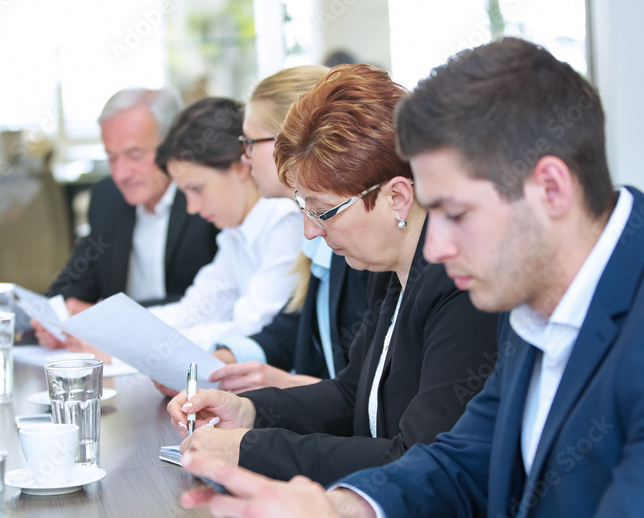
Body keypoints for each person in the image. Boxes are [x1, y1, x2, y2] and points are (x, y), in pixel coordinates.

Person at [176, 39, 644, 518]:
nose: (435, 248)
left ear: (550, 189)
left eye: (454, 213)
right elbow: (462, 461)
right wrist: (344, 511)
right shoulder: (533, 281)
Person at [168, 65, 499, 486]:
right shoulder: (388, 265)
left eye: (323, 211)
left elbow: (419, 459)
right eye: (303, 209)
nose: (310, 231)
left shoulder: (460, 284)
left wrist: (250, 448)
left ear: (397, 197)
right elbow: (350, 394)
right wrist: (249, 412)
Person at [210, 65, 373, 392]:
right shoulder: (314, 230)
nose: (244, 159)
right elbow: (292, 329)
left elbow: (367, 393)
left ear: (293, 140)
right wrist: (224, 360)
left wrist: (287, 385)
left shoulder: (360, 242)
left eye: (250, 143)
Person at [34, 87, 220, 348]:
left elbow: (210, 303)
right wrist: (53, 319)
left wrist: (106, 318)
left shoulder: (206, 202)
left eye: (135, 156)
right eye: (111, 158)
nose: (121, 174)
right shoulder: (109, 197)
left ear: (174, 145)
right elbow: (72, 285)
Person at [146, 97, 304, 350]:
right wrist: (121, 332)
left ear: (241, 166)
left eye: (197, 189)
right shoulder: (236, 231)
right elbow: (195, 310)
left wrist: (147, 345)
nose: (191, 208)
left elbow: (251, 327)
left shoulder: (287, 223)